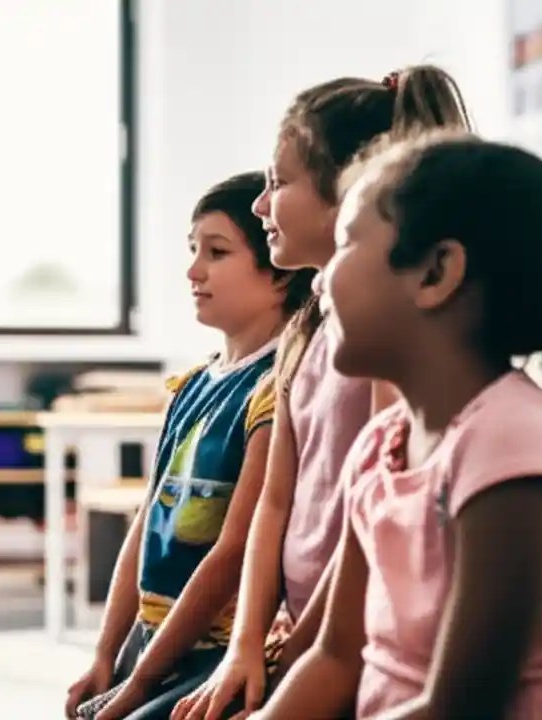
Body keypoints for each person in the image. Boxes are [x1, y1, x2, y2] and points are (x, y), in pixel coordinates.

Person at [261, 132, 542, 718]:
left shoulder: (513, 444)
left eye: (344, 246)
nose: (319, 281)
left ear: (435, 272)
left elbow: (459, 711)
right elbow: (336, 658)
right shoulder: (379, 449)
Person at [175, 66, 473, 720]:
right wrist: (247, 645)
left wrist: (295, 658)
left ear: (349, 196)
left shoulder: (383, 340)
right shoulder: (306, 329)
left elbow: (371, 525)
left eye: (278, 184)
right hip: (301, 633)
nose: (260, 204)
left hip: (354, 638)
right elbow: (275, 501)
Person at [63, 173, 316, 720]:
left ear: (278, 276)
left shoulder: (275, 388)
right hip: (150, 637)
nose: (193, 270)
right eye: (193, 250)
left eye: (217, 252)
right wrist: (108, 654)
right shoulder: (191, 386)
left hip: (213, 652)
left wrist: (137, 687)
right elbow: (145, 518)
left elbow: (231, 553)